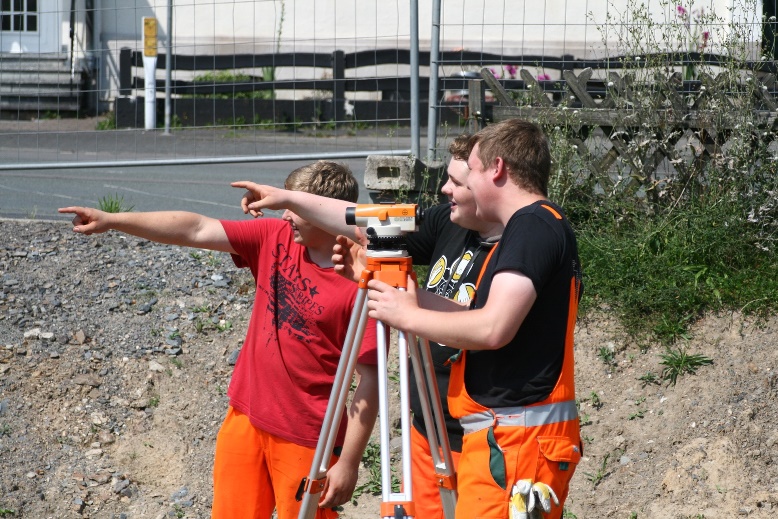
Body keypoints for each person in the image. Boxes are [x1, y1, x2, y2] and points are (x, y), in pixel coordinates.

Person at [58, 161, 380, 519]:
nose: (286, 216)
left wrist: (348, 463)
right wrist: (114, 220)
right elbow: (195, 228)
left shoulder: (361, 277)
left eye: (295, 208)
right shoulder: (274, 237)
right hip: (246, 416)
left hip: (307, 435)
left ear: (325, 212)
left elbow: (372, 378)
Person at [234, 135, 502, 518]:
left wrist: (402, 306)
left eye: (458, 183)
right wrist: (292, 201)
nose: (445, 190)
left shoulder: (521, 242)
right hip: (429, 426)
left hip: (480, 431)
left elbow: (490, 328)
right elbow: (367, 221)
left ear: (490, 179)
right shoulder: (448, 222)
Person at [351, 119, 583, 519]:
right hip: (502, 436)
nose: (460, 185)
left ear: (496, 168)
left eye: (470, 172)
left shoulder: (533, 226)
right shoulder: (524, 229)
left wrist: (408, 315)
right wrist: (404, 297)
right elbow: (475, 316)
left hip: (517, 443)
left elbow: (492, 328)